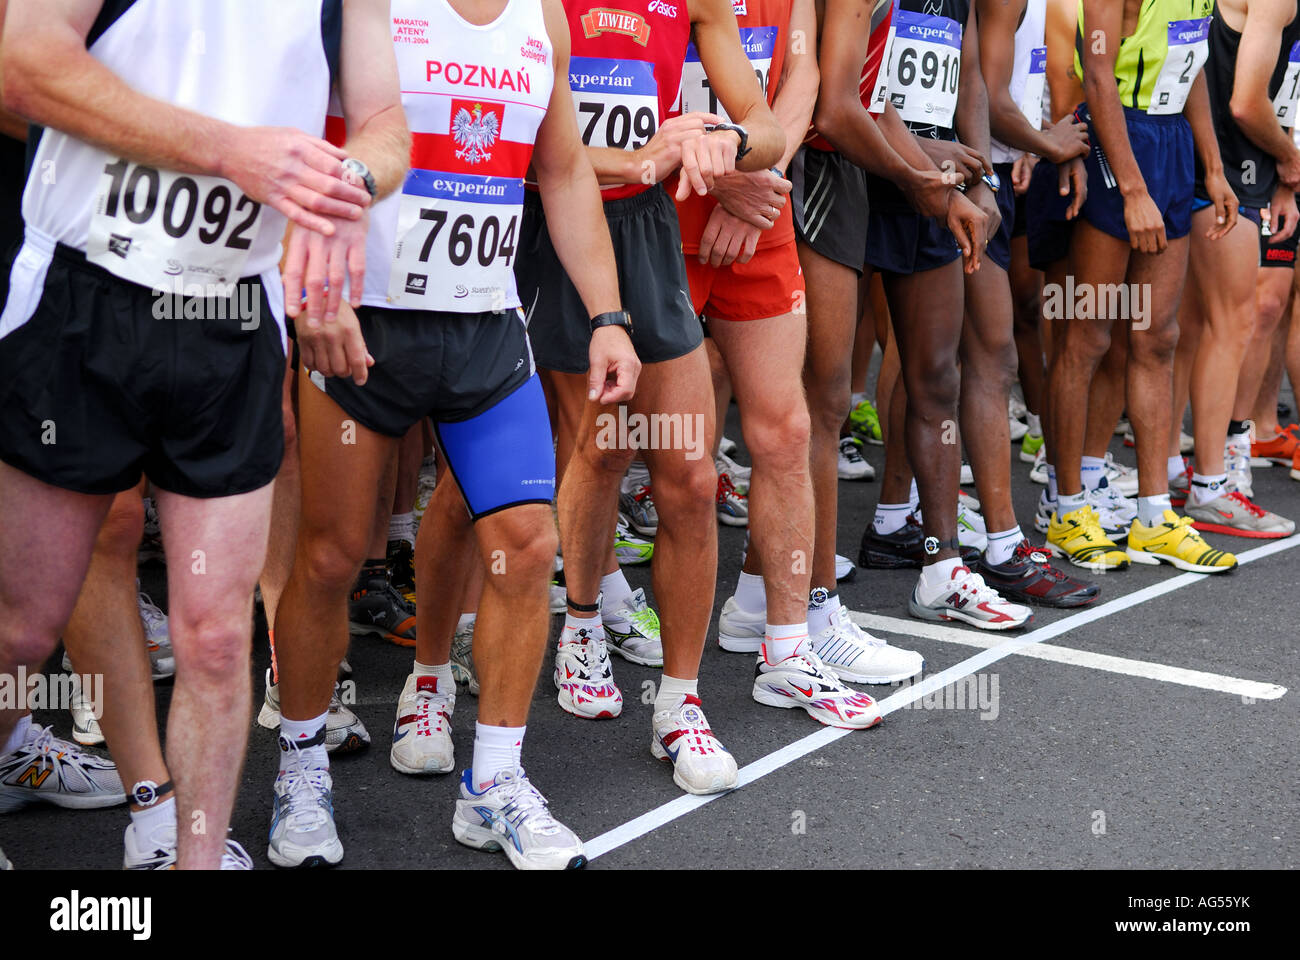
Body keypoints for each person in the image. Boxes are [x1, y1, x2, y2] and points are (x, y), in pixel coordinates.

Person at [0, 0, 400, 869]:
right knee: (21, 632)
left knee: (216, 639)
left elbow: (382, 126)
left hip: (229, 315)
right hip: (82, 290)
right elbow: (22, 61)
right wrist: (230, 149)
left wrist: (347, 189)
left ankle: (192, 856)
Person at [269, 0, 637, 868]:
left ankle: (495, 785)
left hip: (482, 326)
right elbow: (287, 134)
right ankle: (299, 767)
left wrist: (608, 316)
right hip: (365, 325)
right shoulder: (370, 7)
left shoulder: (541, 14)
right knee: (329, 556)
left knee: (524, 540)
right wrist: (308, 281)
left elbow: (567, 171)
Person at [518, 0, 797, 784]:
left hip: (644, 231)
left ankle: (680, 704)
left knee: (690, 477)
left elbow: (767, 126)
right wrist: (646, 155)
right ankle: (579, 622)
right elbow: (544, 153)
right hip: (559, 229)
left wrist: (725, 139)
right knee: (600, 450)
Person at [1047, 0, 1241, 574]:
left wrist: (1212, 164)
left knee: (1157, 337)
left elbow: (1192, 61)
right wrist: (1131, 190)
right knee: (1088, 336)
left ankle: (1154, 517)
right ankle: (1067, 508)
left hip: (1171, 139)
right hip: (1116, 136)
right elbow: (1098, 70)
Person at [1173, 0, 1298, 539]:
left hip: (1204, 159)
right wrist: (1290, 159)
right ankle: (1211, 487)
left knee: (1190, 329)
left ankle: (1173, 477)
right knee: (1231, 324)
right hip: (1227, 168)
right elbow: (1248, 102)